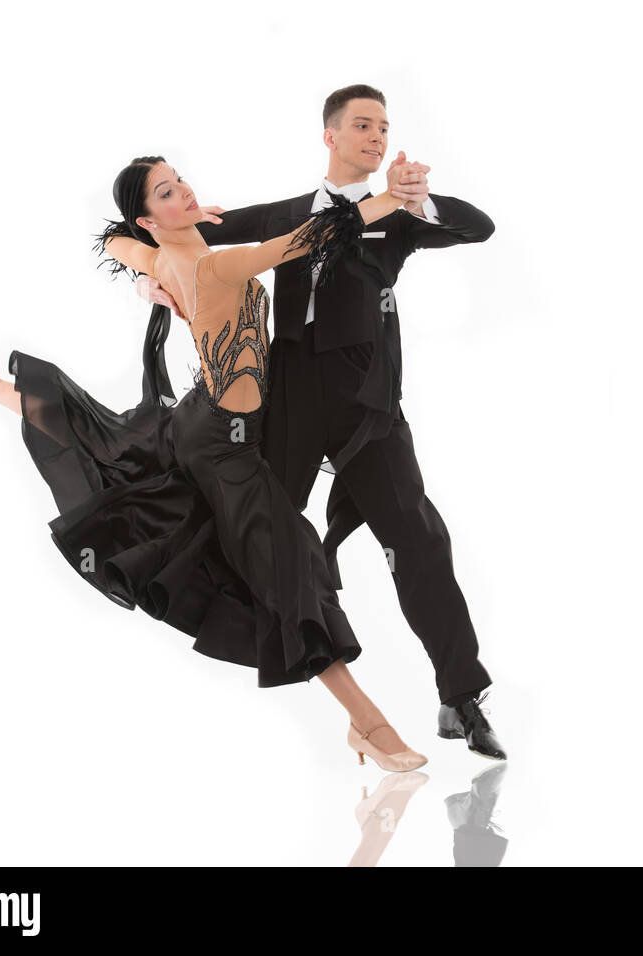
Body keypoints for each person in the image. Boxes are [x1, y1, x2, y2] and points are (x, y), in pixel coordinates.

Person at [0, 154, 432, 772]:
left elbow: (115, 239)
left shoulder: (162, 254)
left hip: (208, 420)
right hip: (224, 447)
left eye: (180, 180)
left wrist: (155, 259)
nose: (185, 190)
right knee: (287, 573)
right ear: (150, 215)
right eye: (167, 192)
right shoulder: (215, 263)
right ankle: (369, 726)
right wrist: (390, 200)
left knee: (126, 457)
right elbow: (309, 237)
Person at [138, 85, 506, 760]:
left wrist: (421, 199)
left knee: (417, 541)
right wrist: (148, 281)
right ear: (330, 136)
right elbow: (152, 235)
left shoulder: (396, 215)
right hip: (291, 398)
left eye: (385, 127)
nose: (377, 135)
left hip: (368, 404)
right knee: (255, 536)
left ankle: (460, 695)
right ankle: (340, 696)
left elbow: (478, 228)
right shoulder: (285, 213)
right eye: (363, 124)